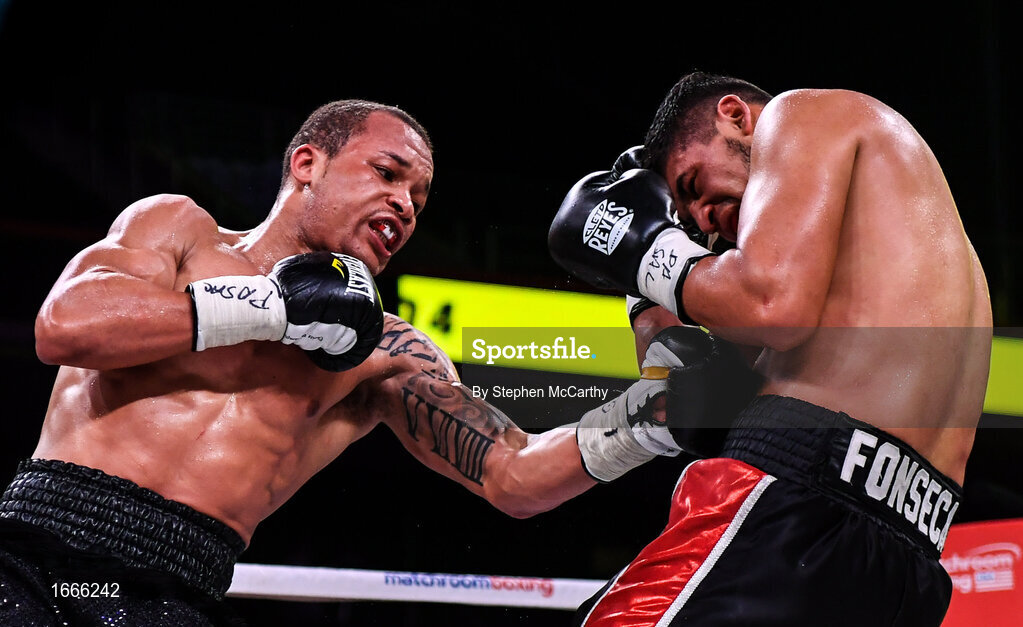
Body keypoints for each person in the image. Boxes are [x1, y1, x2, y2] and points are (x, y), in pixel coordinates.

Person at [0, 98, 749, 626]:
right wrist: (274, 307)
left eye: (419, 199)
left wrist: (644, 421)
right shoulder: (179, 230)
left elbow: (512, 475)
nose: (404, 205)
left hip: (175, 588)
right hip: (39, 550)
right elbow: (64, 327)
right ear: (306, 162)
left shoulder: (382, 354)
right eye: (387, 174)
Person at [548, 71, 992, 626]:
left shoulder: (800, 113)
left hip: (791, 507)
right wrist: (646, 301)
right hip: (908, 564)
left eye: (691, 184)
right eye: (689, 222)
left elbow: (771, 304)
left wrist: (645, 251)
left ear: (734, 114)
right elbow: (697, 393)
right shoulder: (903, 246)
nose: (704, 219)